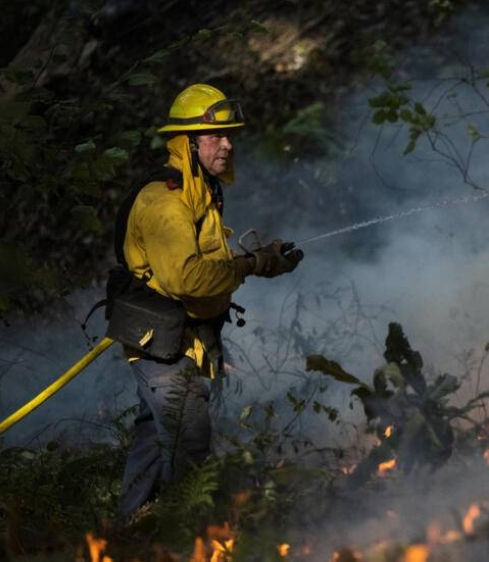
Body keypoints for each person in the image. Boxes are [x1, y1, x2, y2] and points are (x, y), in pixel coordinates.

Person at [117, 83, 302, 519]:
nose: (228, 145)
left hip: (181, 340)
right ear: (187, 142)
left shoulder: (200, 190)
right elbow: (187, 278)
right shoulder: (166, 202)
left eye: (229, 136)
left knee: (154, 437)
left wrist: (259, 259)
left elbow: (206, 260)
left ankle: (130, 528)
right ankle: (183, 534)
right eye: (216, 136)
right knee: (189, 441)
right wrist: (251, 265)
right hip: (161, 345)